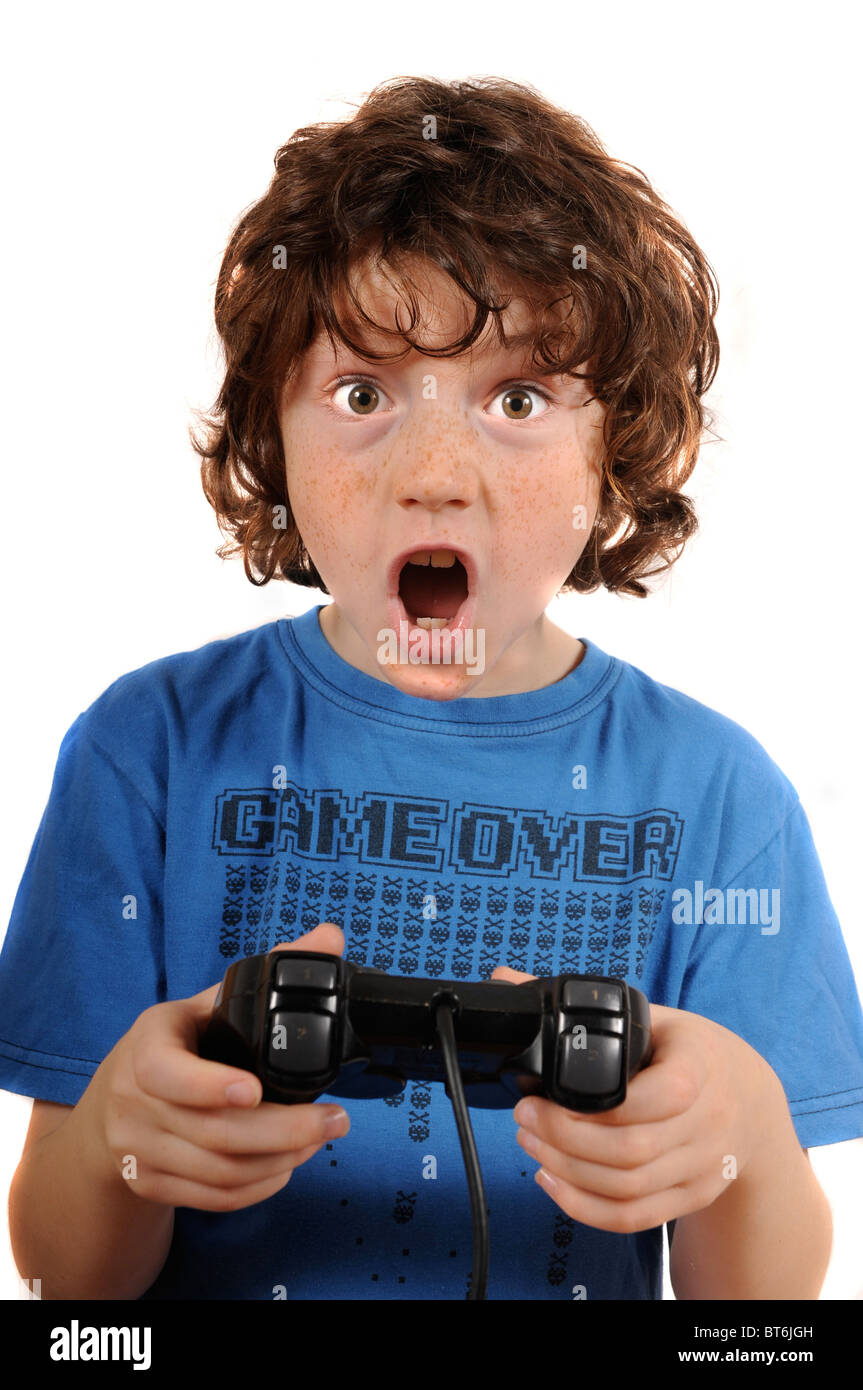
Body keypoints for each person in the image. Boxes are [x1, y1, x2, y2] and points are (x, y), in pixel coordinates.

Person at [2, 75, 860, 1301]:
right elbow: (71, 1284)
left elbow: (756, 1314)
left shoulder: (717, 796)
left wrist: (745, 1145)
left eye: (517, 398)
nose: (434, 471)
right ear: (271, 434)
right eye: (361, 393)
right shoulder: (148, 753)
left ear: (610, 450)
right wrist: (116, 1143)